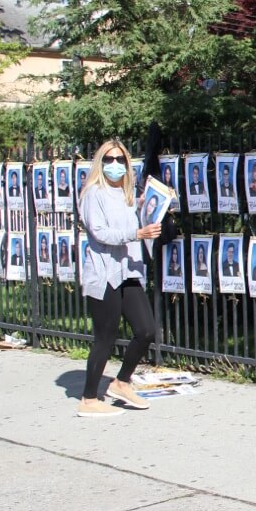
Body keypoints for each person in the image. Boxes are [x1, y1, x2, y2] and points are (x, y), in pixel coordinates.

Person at [76, 139, 158, 417]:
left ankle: (121, 382)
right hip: (104, 274)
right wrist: (137, 234)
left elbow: (132, 217)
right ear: (100, 162)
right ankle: (88, 399)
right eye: (109, 159)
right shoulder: (92, 194)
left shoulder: (127, 194)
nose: (115, 165)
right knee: (105, 338)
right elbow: (100, 232)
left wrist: (149, 203)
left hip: (129, 272)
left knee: (146, 330)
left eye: (120, 159)